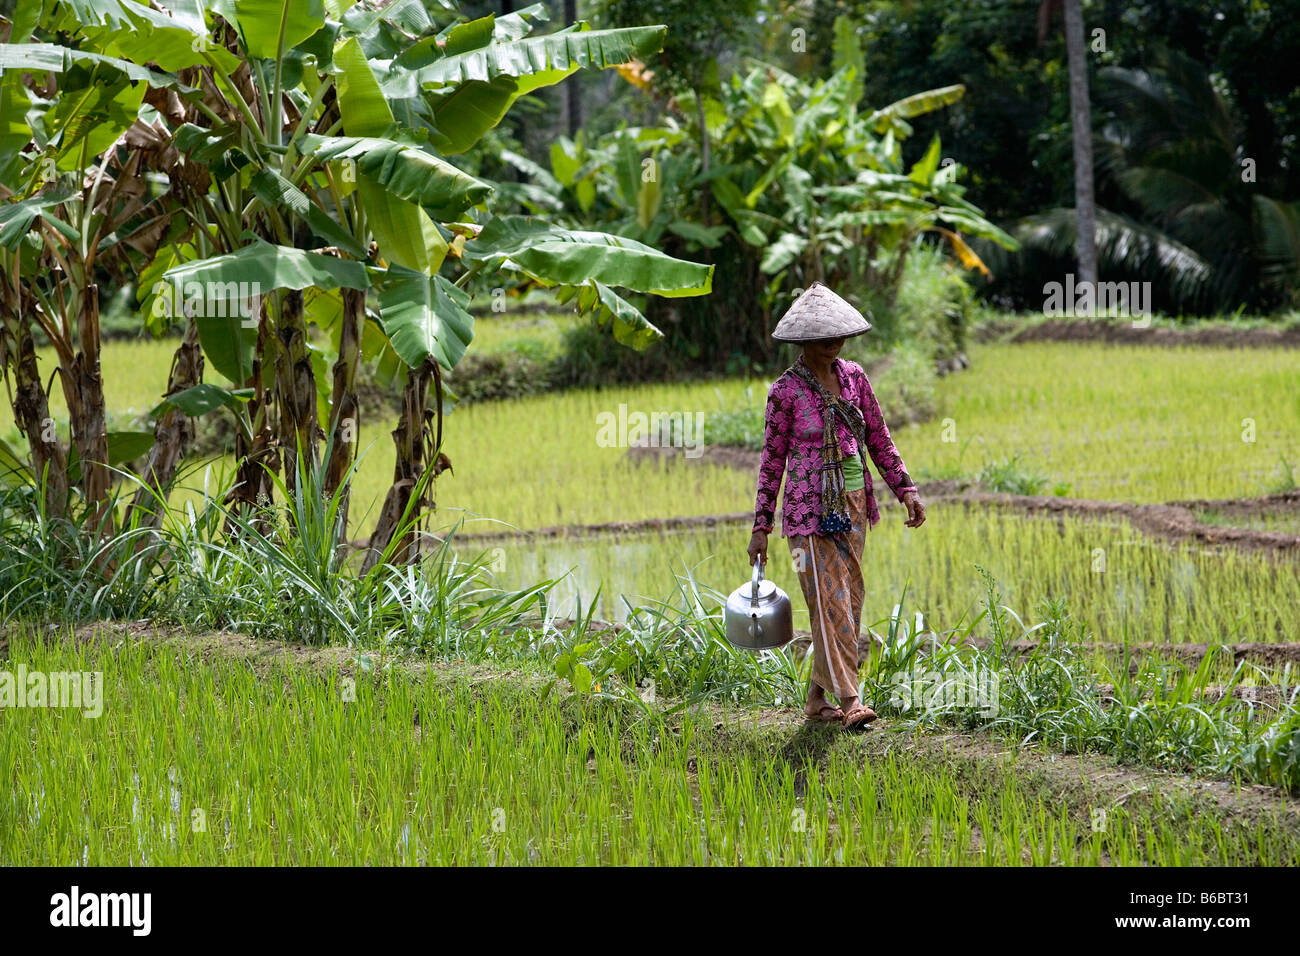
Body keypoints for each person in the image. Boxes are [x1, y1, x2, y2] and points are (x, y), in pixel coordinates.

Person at [747, 282, 926, 730]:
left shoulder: (855, 378)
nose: (833, 342)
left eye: (838, 334)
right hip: (808, 512)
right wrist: (760, 526)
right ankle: (850, 700)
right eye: (822, 335)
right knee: (830, 604)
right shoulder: (785, 392)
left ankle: (815, 700)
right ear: (803, 341)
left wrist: (905, 488)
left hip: (852, 506)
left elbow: (878, 437)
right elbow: (772, 461)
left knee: (850, 601)